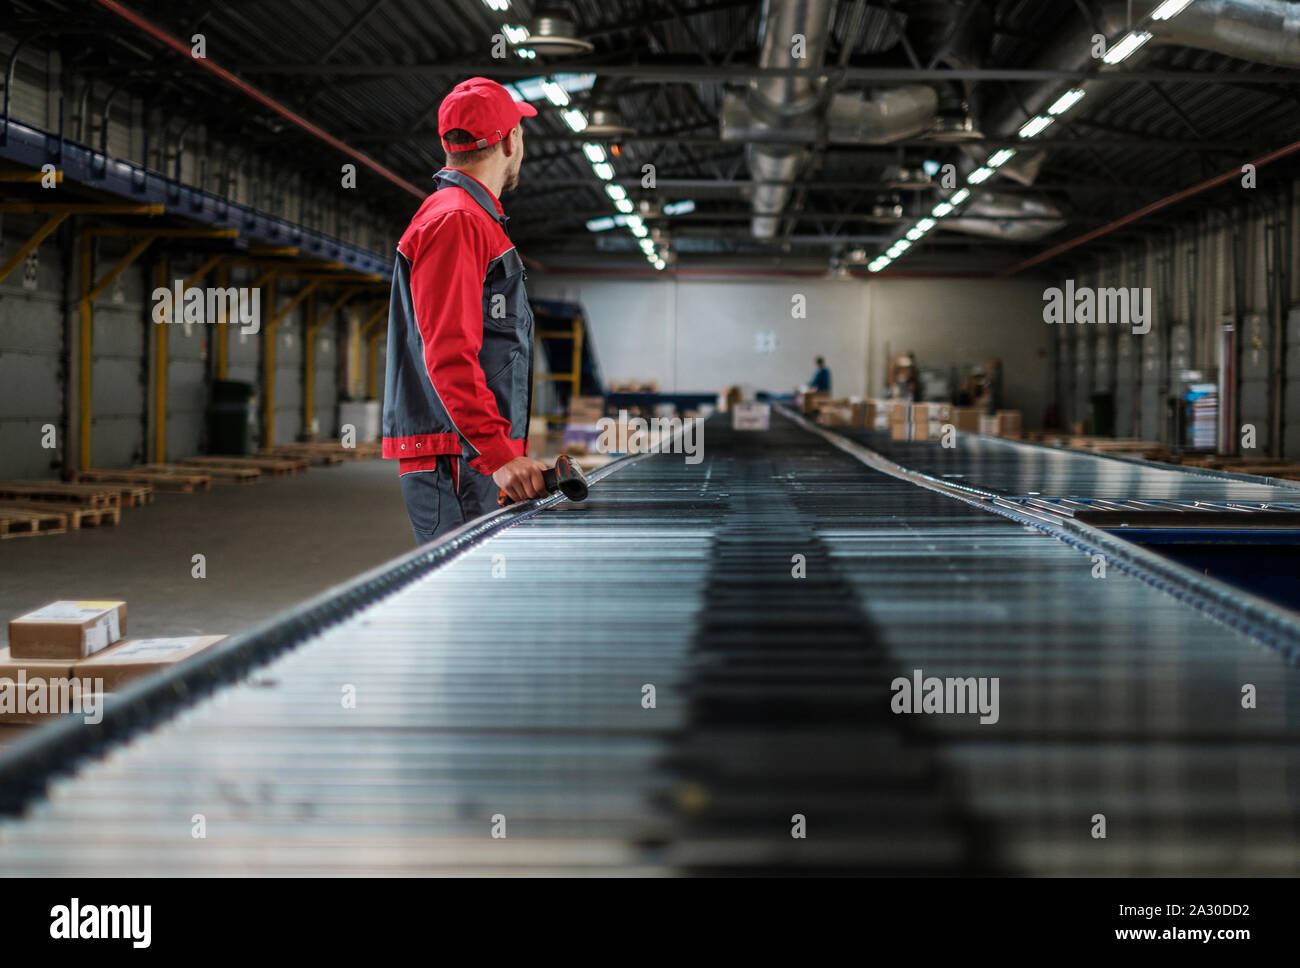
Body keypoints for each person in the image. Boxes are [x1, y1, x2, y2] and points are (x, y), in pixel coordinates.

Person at [382, 77, 548, 544]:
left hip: (467, 453)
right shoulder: (457, 220)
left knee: (482, 602)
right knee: (467, 602)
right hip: (458, 455)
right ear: (511, 140)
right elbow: (449, 351)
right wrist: (498, 454)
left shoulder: (469, 219)